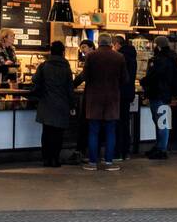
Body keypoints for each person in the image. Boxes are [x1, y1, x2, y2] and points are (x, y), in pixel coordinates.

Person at [73, 32, 127, 172]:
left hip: (94, 98)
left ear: (98, 42)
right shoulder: (119, 57)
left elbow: (85, 76)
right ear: (110, 43)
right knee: (110, 131)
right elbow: (125, 79)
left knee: (93, 131)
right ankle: (109, 162)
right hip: (112, 99)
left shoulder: (91, 56)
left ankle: (92, 162)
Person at [31, 41, 75, 167]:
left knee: (47, 133)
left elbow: (35, 80)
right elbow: (70, 89)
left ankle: (46, 159)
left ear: (51, 52)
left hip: (46, 103)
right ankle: (55, 159)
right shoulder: (66, 68)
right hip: (62, 105)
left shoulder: (44, 65)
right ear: (63, 52)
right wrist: (72, 105)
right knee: (58, 134)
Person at [141, 35, 177, 160]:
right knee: (161, 122)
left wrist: (144, 81)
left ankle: (161, 149)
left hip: (158, 94)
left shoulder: (160, 60)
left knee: (161, 123)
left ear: (158, 46)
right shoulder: (172, 59)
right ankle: (159, 146)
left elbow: (154, 76)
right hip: (165, 95)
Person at [113, 34, 137, 161]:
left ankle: (117, 152)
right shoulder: (133, 57)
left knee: (117, 123)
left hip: (118, 93)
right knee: (125, 123)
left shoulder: (119, 57)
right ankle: (126, 152)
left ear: (117, 44)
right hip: (128, 93)